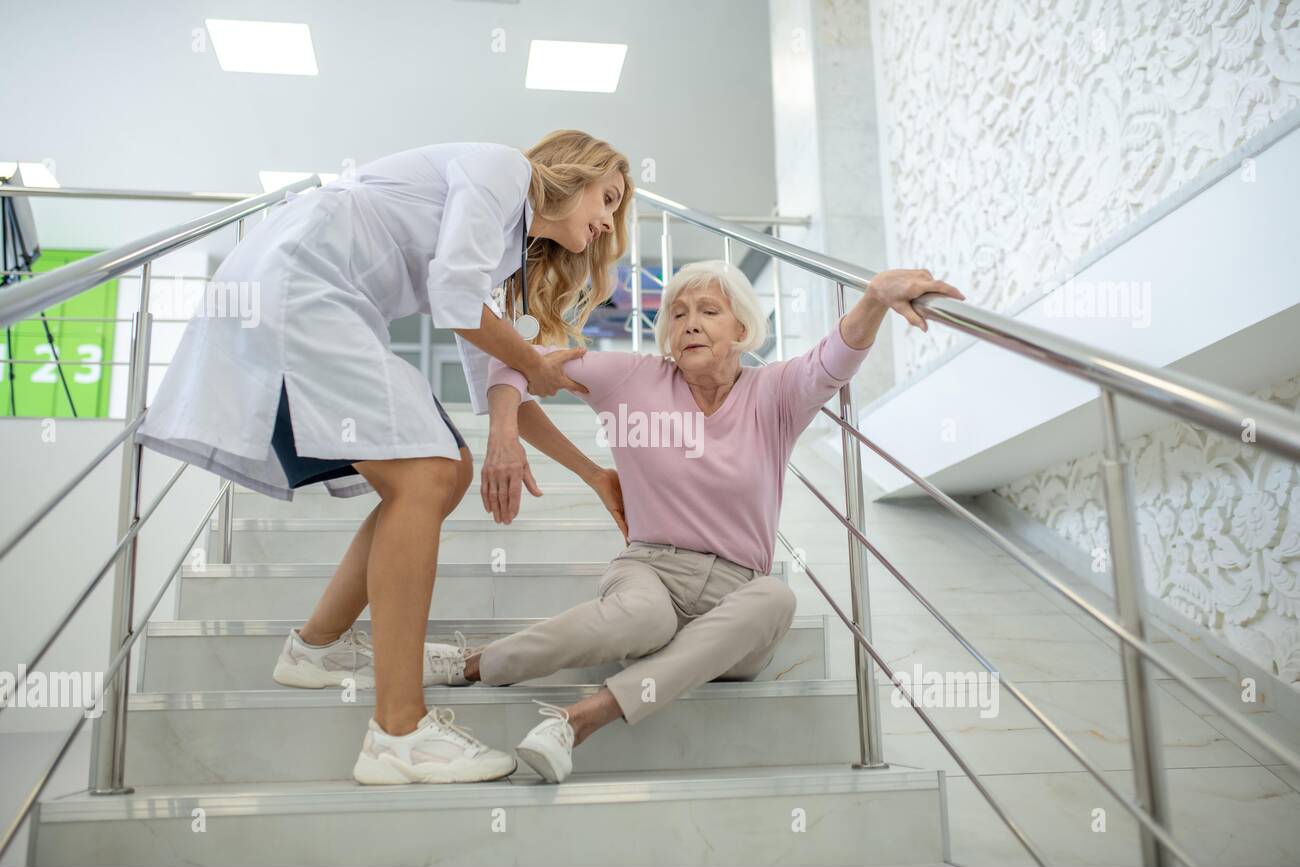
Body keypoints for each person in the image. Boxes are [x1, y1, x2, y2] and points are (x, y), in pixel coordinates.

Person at [135, 130, 634, 784]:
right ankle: (399, 732)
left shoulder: (501, 245)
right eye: (609, 197)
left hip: (318, 290)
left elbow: (493, 372)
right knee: (428, 471)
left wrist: (593, 473)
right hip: (301, 278)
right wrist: (531, 361)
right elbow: (464, 309)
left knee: (445, 470)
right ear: (576, 171)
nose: (608, 222)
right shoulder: (504, 171)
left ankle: (318, 646)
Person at [423, 260, 964, 782]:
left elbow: (834, 358)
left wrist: (873, 299)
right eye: (677, 315)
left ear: (744, 327)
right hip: (650, 570)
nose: (690, 324)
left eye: (708, 310)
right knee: (646, 618)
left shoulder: (774, 394)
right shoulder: (631, 379)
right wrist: (506, 435)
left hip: (737, 596)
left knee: (778, 598)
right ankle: (474, 665)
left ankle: (577, 719)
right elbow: (513, 361)